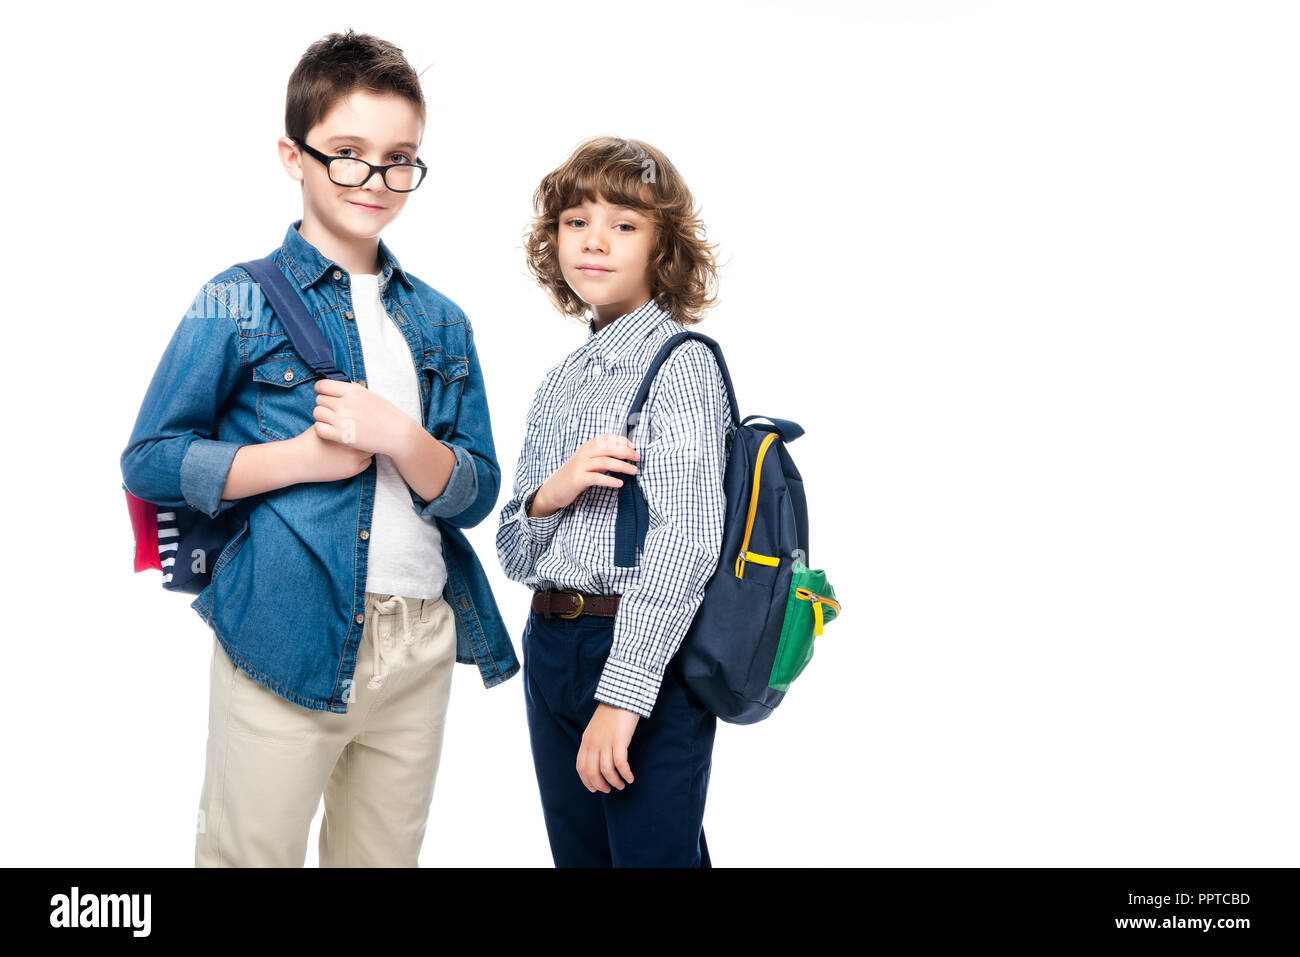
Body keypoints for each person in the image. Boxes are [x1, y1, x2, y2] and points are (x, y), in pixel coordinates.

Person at [120, 29, 517, 867]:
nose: (375, 179)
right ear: (292, 155)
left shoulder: (442, 320)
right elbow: (150, 457)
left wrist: (403, 440)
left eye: (399, 157)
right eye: (347, 152)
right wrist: (298, 457)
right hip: (283, 630)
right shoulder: (236, 299)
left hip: (420, 642)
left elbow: (477, 491)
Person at [496, 136, 734, 867]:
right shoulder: (560, 382)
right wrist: (553, 491)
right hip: (552, 647)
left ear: (663, 249)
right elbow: (513, 550)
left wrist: (624, 694)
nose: (594, 240)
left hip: (640, 647)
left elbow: (686, 540)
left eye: (625, 224)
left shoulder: (680, 364)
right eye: (576, 221)